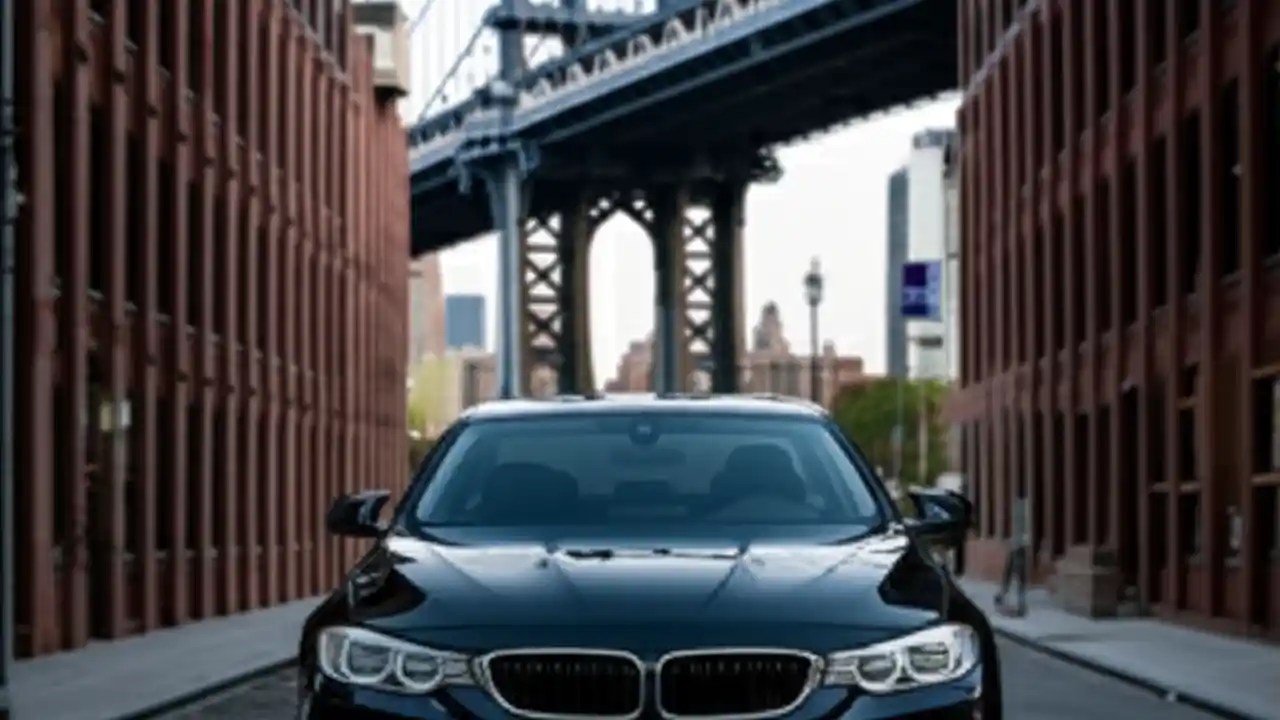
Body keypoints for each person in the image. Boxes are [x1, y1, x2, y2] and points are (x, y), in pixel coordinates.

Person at [994, 493, 1028, 616]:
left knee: (1018, 575)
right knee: (1010, 573)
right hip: (1016, 545)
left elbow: (1024, 528)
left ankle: (1020, 602)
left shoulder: (1023, 507)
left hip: (1019, 546)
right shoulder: (1020, 506)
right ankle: (1004, 595)